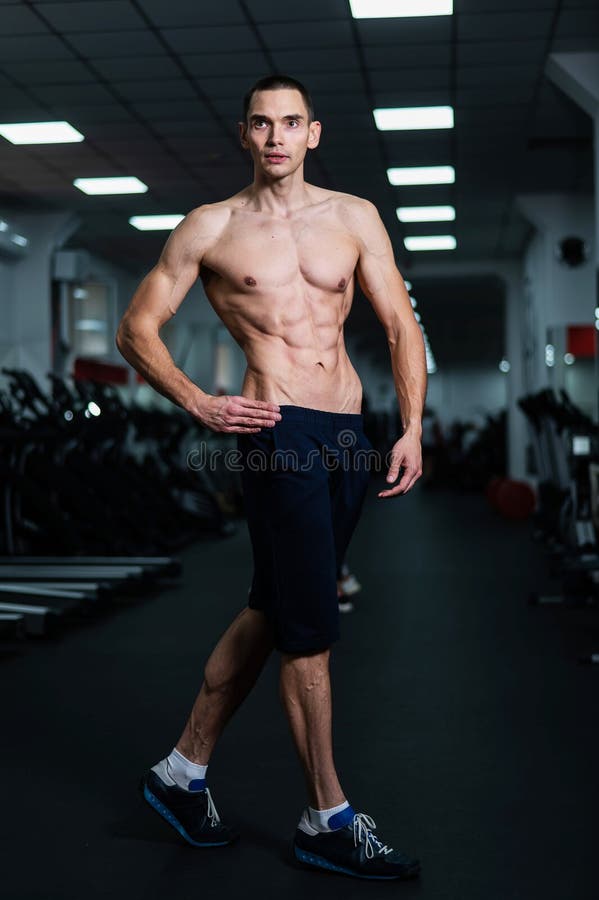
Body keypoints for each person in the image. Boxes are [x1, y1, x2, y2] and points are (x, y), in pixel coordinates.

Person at [116, 74, 426, 881]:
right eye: (262, 123)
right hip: (275, 431)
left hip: (348, 433)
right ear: (245, 135)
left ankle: (181, 773)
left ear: (313, 133)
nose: (276, 136)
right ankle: (327, 817)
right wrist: (197, 402)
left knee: (276, 601)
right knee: (310, 627)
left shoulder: (354, 217)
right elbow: (136, 328)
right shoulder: (210, 227)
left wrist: (413, 427)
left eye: (291, 123)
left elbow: (398, 322)